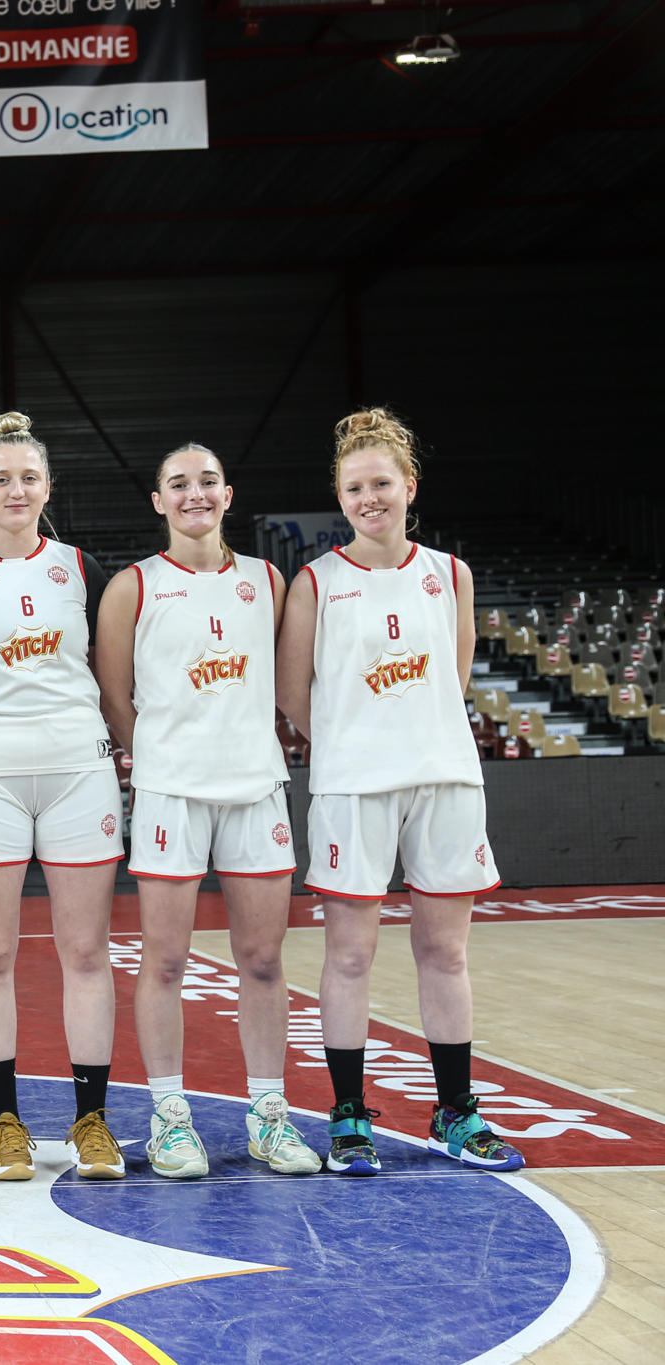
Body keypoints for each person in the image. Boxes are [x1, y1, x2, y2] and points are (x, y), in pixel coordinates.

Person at [276, 408, 521, 1176]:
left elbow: (456, 674)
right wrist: (355, 740)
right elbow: (292, 692)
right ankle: (349, 1114)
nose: (369, 498)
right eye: (355, 488)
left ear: (410, 486)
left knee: (444, 951)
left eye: (381, 483)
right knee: (350, 954)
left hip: (445, 777)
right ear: (340, 497)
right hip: (354, 786)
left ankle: (456, 1112)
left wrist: (418, 735)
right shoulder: (317, 582)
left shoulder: (450, 574)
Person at [92, 443, 320, 1179]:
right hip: (173, 795)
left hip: (256, 788)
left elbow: (289, 681)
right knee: (165, 960)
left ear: (228, 494)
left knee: (264, 959)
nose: (195, 493)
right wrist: (160, 760)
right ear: (158, 500)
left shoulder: (267, 580)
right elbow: (114, 695)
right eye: (179, 483)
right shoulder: (133, 586)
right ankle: (169, 1118)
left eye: (208, 481)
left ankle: (269, 1114)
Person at [0, 412, 124, 1182]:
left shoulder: (82, 570)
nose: (16, 489)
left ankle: (92, 1120)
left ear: (48, 487)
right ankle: (4, 1121)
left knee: (86, 951)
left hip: (78, 767)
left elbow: (111, 673)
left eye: (29, 477)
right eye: (1, 478)